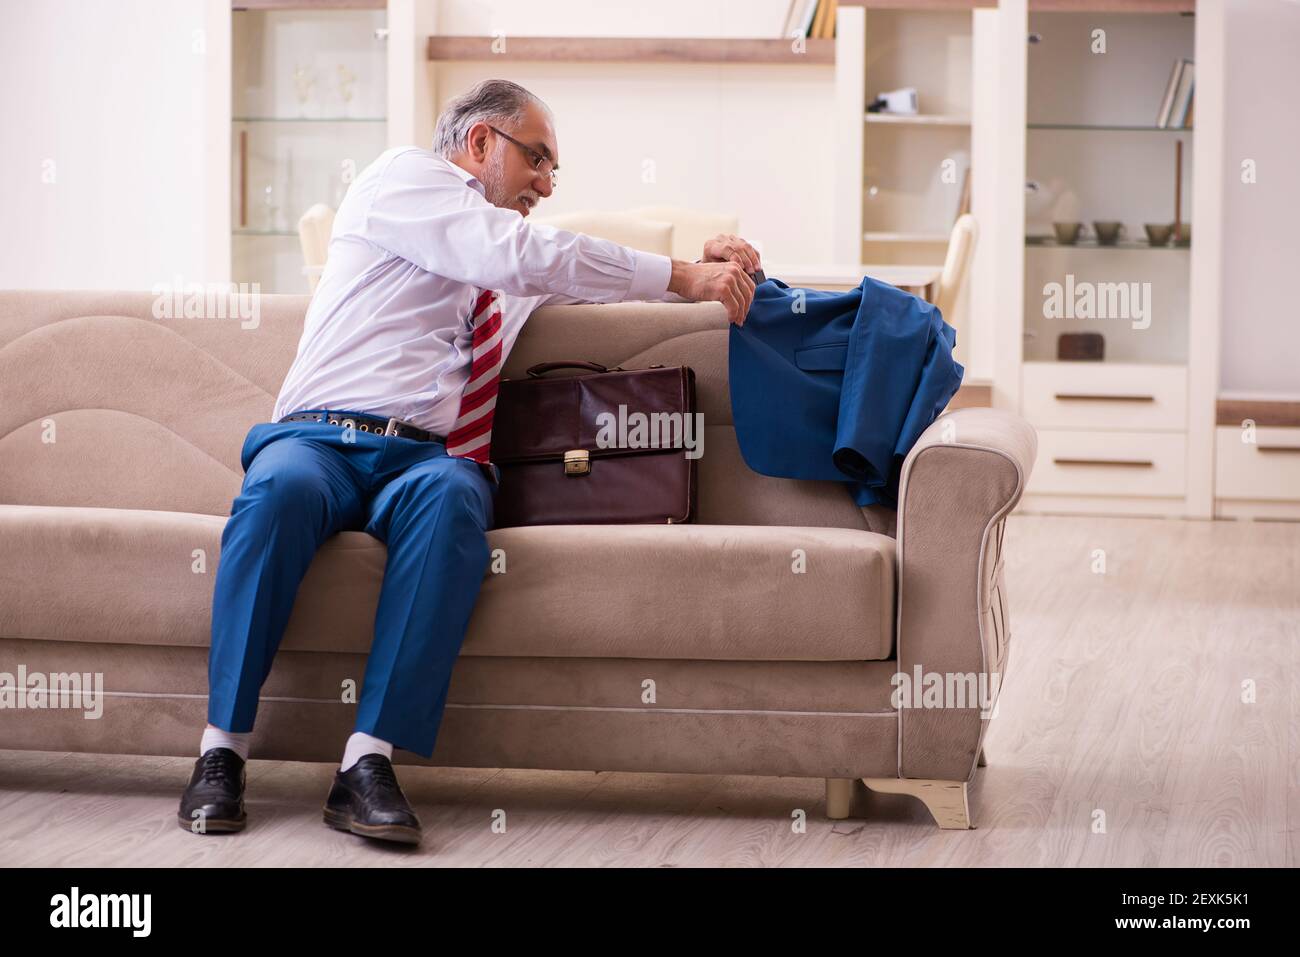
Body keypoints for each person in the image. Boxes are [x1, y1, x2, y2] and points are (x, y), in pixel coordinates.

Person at [178, 78, 762, 845]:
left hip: (423, 459)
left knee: (458, 497)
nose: (548, 186)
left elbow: (571, 259)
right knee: (276, 494)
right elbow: (524, 250)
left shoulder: (502, 261)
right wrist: (684, 275)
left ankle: (367, 762)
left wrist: (695, 262)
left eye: (556, 172)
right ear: (481, 143)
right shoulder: (405, 180)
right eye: (539, 160)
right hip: (319, 438)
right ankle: (221, 752)